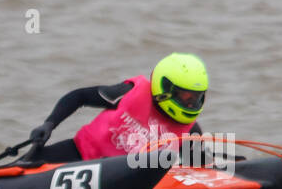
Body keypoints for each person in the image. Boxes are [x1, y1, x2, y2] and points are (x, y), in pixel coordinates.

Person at [25, 53, 208, 163]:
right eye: (185, 97)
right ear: (165, 88)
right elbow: (79, 96)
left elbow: (199, 172)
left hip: (124, 185)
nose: (191, 104)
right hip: (78, 155)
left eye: (196, 97)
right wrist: (49, 124)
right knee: (18, 168)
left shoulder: (191, 132)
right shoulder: (130, 92)